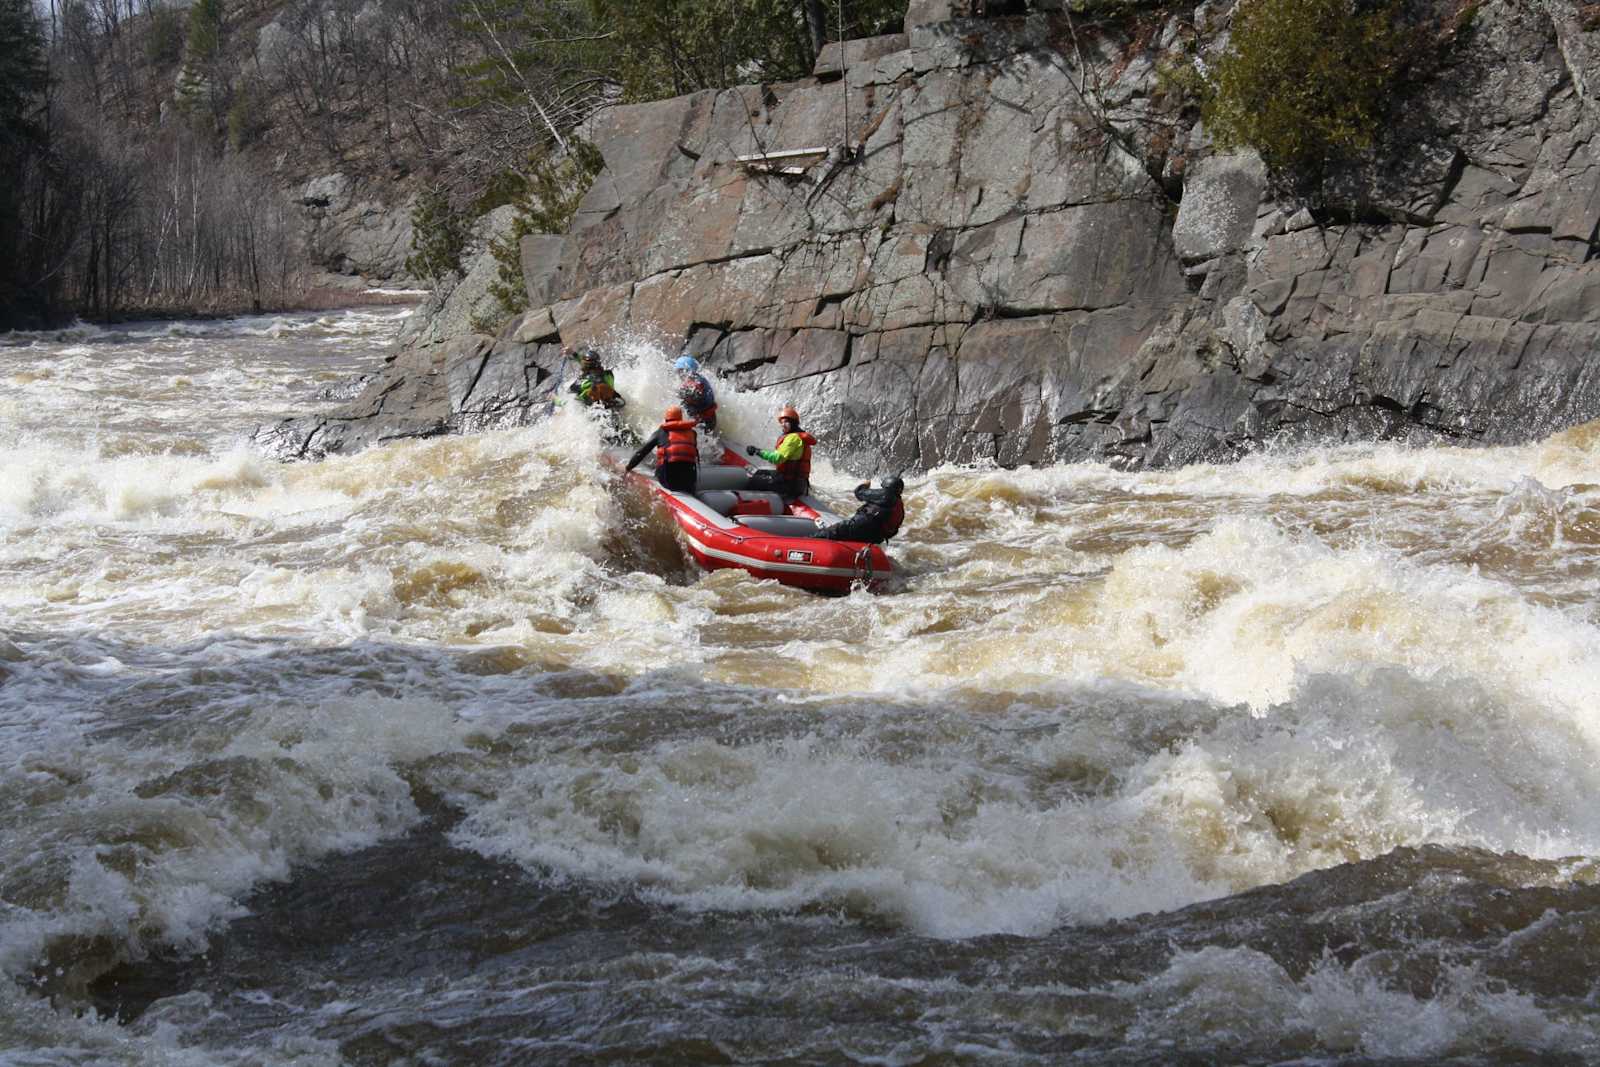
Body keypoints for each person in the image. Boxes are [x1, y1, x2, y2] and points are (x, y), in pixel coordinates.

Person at [743, 405, 815, 498]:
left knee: (754, 482)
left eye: (786, 422)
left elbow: (777, 459)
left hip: (790, 486)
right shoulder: (798, 436)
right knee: (759, 473)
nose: (783, 425)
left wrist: (757, 451)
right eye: (782, 422)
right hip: (795, 482)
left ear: (793, 423)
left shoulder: (793, 438)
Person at [624, 405, 699, 492]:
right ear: (681, 419)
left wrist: (628, 468)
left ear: (666, 420)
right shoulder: (693, 433)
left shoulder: (660, 433)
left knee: (661, 461)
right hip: (690, 482)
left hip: (669, 482)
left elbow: (641, 452)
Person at [816, 475, 905, 543]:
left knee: (838, 529)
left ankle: (811, 541)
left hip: (863, 527)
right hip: (877, 537)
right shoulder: (899, 505)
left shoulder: (886, 495)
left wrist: (864, 485)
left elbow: (859, 492)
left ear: (887, 487)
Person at [674, 354, 718, 430]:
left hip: (704, 422)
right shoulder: (699, 378)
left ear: (685, 370)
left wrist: (678, 393)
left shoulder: (696, 383)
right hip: (708, 419)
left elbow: (695, 394)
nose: (678, 375)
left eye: (679, 371)